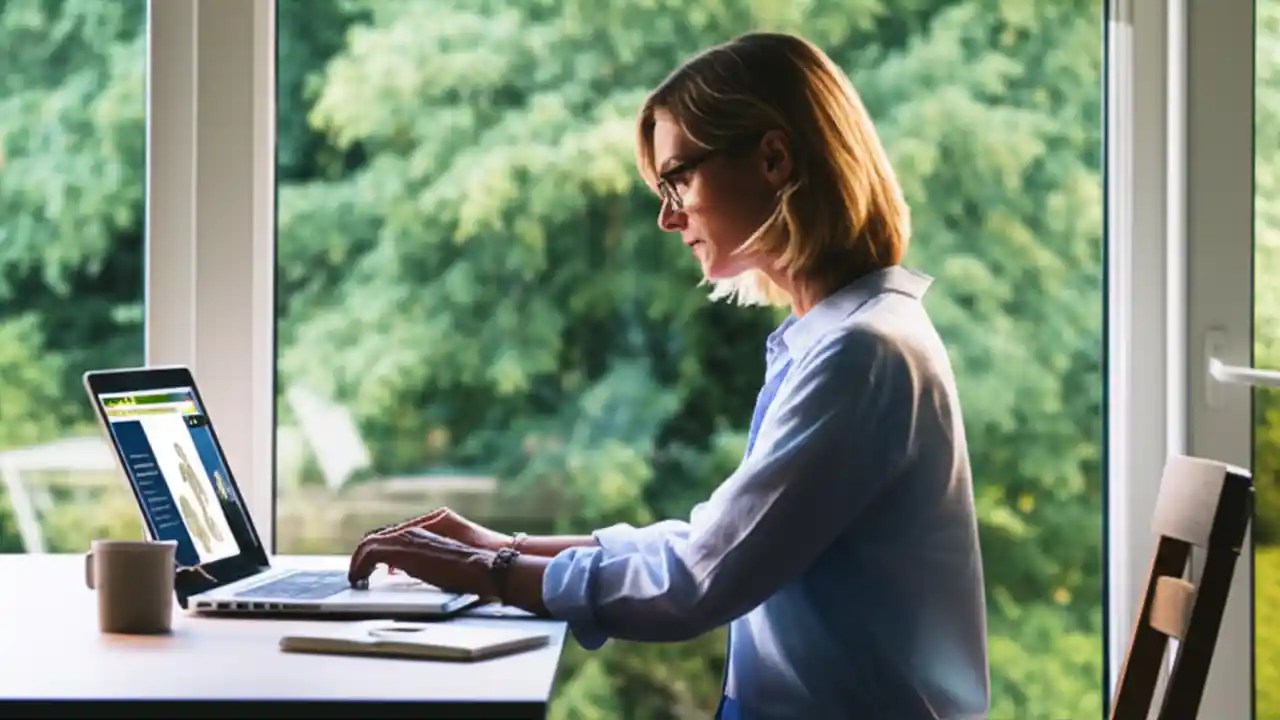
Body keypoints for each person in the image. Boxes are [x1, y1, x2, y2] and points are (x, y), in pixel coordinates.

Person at [348, 31, 989, 719]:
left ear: (774, 158)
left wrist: (487, 573)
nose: (667, 215)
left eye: (678, 177)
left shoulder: (861, 354)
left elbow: (697, 581)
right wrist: (505, 547)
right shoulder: (853, 336)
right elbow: (716, 540)